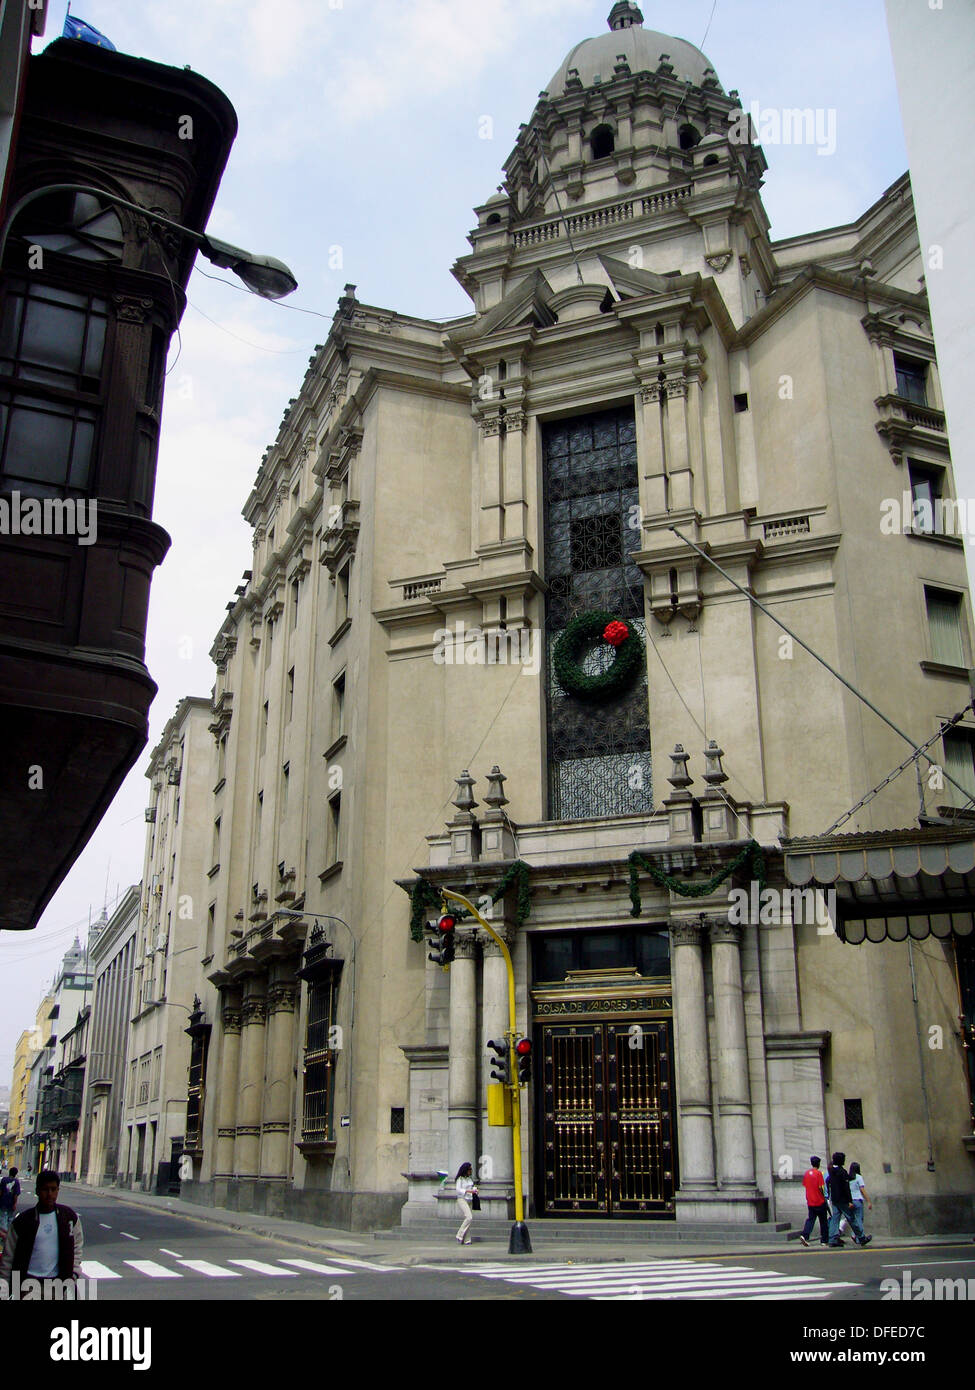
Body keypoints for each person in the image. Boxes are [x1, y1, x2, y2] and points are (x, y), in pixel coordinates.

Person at [0, 1169, 84, 1289]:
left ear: (58, 1191)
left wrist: (73, 1273)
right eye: (45, 1189)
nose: (50, 1194)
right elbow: (8, 1259)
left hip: (59, 1285)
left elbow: (77, 1247)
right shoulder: (22, 1222)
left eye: (53, 1189)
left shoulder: (69, 1218)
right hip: (27, 1286)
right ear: (37, 1191)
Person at [827, 1152, 871, 1248]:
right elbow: (846, 1189)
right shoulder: (842, 1172)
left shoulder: (831, 1172)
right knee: (852, 1219)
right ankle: (861, 1237)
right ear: (841, 1160)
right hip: (843, 1200)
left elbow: (828, 1183)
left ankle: (832, 1239)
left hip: (834, 1199)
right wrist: (849, 1201)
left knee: (835, 1218)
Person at [798, 1155, 829, 1247]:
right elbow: (821, 1187)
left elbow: (805, 1185)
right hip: (819, 1201)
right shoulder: (819, 1173)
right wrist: (824, 1197)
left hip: (810, 1201)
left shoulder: (807, 1173)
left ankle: (805, 1235)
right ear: (818, 1164)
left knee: (811, 1219)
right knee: (823, 1221)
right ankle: (824, 1240)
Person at [839, 1161, 872, 1237]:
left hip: (850, 1201)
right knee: (859, 1219)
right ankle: (858, 1236)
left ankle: (842, 1228)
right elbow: (862, 1190)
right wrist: (868, 1201)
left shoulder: (847, 1177)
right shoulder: (858, 1177)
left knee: (851, 1219)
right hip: (857, 1200)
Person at [455, 1161, 478, 1245]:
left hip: (470, 1199)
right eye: (469, 1169)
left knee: (469, 1220)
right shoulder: (460, 1179)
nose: (471, 1171)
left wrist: (474, 1190)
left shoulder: (469, 1179)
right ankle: (459, 1235)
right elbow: (458, 1190)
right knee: (469, 1217)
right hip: (462, 1199)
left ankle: (467, 1239)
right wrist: (468, 1190)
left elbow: (472, 1187)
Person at [0, 1166, 20, 1246]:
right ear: (16, 1174)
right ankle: (8, 1235)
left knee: (3, 1219)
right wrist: (15, 1203)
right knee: (10, 1219)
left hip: (3, 1202)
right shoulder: (16, 1181)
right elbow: (16, 1194)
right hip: (11, 1203)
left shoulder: (4, 1180)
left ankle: (3, 1236)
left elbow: (0, 1191)